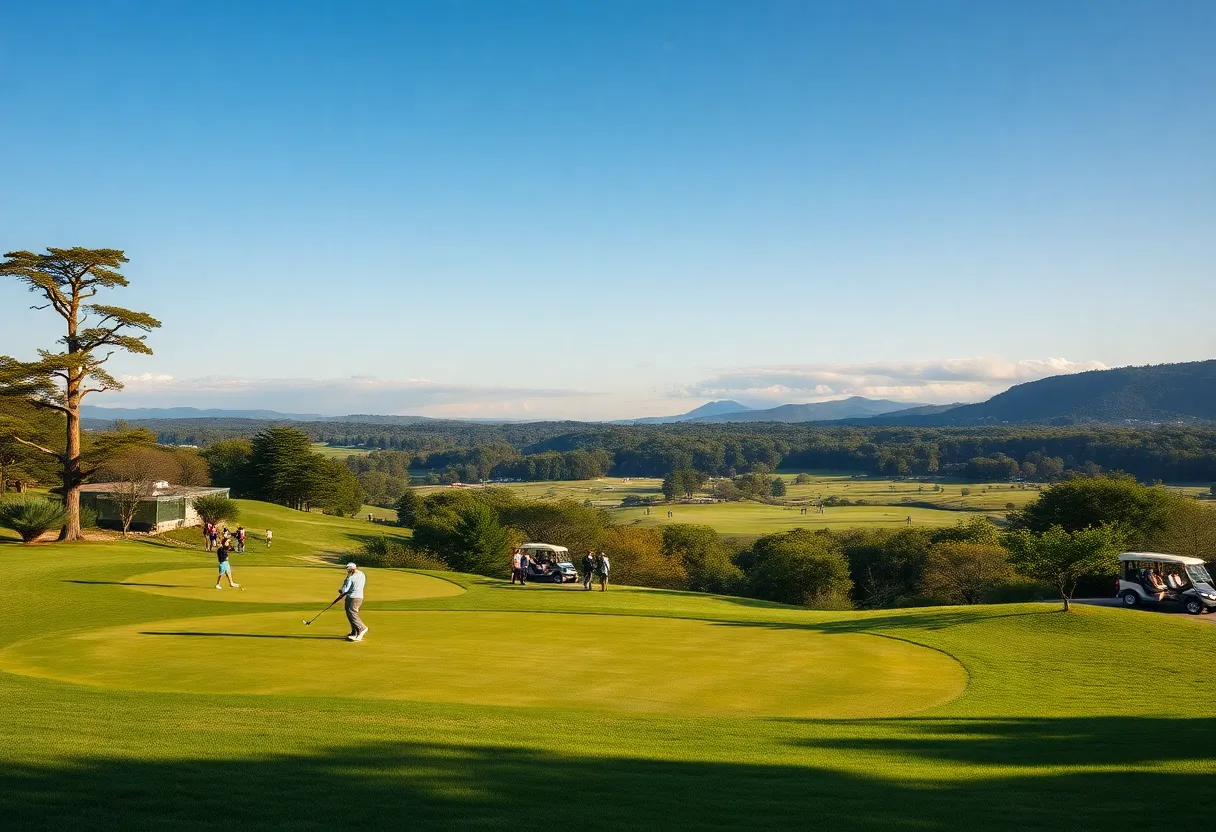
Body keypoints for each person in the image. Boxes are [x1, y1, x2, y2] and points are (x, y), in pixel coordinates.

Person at [338, 562, 368, 642]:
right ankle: (354, 632)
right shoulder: (362, 574)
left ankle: (362, 628)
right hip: (358, 597)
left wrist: (341, 590)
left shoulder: (350, 578)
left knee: (352, 612)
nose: (347, 571)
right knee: (349, 612)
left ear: (352, 569)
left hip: (353, 597)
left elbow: (345, 590)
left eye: (348, 569)